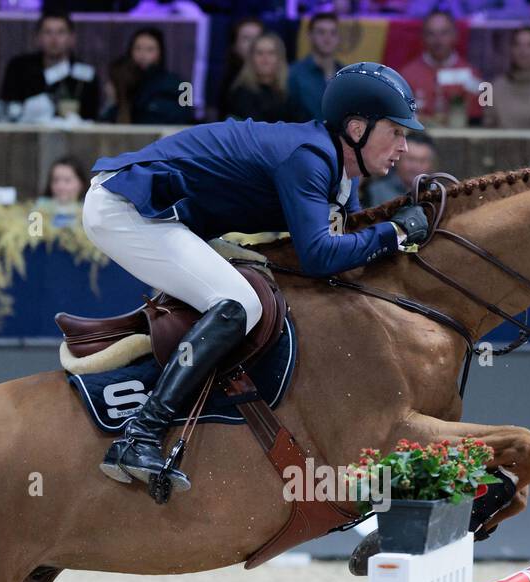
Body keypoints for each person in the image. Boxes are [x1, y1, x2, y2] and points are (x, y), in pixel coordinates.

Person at [83, 62, 430, 496]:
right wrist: (396, 232)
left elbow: (347, 257)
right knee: (239, 302)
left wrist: (399, 235)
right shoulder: (310, 157)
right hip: (127, 208)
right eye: (396, 132)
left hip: (166, 219)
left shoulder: (338, 176)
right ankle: (139, 437)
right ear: (357, 128)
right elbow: (320, 257)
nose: (403, 145)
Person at [1, 12, 99, 121]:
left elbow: (92, 116)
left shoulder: (85, 75)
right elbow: (8, 108)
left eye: (61, 32)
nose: (54, 39)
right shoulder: (19, 68)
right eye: (48, 32)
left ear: (72, 38)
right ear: (37, 37)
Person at [399, 11, 483, 126]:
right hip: (418, 139)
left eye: (444, 33)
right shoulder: (407, 76)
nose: (437, 40)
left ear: (455, 35)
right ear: (423, 37)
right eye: (431, 34)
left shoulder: (472, 74)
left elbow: (477, 119)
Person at [103, 27, 191, 124]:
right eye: (138, 48)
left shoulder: (177, 84)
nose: (142, 55)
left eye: (150, 49)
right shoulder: (125, 79)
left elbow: (186, 116)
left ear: (160, 53)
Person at [225, 32, 307, 123]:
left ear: (279, 58)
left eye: (271, 53)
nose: (265, 59)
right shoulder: (240, 93)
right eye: (260, 53)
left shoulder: (290, 90)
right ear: (251, 58)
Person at [483, 25, 530, 130]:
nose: (523, 51)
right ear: (511, 50)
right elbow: (487, 127)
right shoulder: (495, 87)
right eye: (517, 45)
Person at [289, 12, 342, 122]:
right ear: (310, 36)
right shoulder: (294, 73)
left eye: (333, 33)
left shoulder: (347, 74)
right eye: (321, 32)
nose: (327, 38)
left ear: (338, 38)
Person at [361, 130, 437, 205]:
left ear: (431, 164)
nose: (416, 166)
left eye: (422, 161)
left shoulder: (437, 193)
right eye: (411, 159)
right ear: (397, 159)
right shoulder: (375, 192)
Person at [214, 16, 264, 120]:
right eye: (246, 39)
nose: (254, 44)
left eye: (258, 38)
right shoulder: (228, 83)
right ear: (234, 46)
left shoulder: (280, 79)